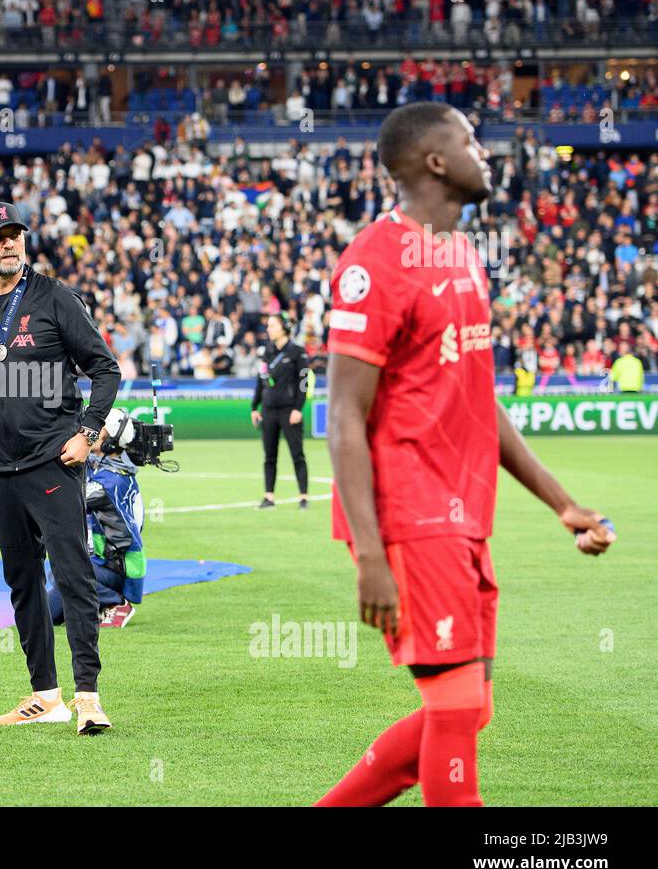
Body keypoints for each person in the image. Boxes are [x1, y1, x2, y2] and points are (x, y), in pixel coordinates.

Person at [317, 102, 616, 807]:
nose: (485, 152)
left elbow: (480, 401)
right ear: (435, 161)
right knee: (453, 712)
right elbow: (343, 416)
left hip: (463, 516)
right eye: (470, 140)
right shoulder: (373, 261)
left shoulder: (460, 254)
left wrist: (561, 501)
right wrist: (369, 554)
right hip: (412, 520)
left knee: (465, 710)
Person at [0, 200, 121, 734]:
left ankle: (89, 697)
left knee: (74, 579)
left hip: (52, 461)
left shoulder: (55, 298)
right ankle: (44, 694)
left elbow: (105, 368)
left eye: (16, 235)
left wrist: (89, 432)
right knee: (22, 581)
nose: (9, 244)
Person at [47, 408, 146, 629]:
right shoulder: (112, 470)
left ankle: (116, 602)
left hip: (114, 567)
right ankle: (94, 604)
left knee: (64, 569)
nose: (88, 431)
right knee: (47, 614)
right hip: (98, 562)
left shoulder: (107, 483)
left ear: (110, 441)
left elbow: (67, 498)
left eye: (97, 429)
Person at [251, 312, 310, 509]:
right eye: (268, 326)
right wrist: (255, 407)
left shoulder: (297, 352)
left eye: (273, 325)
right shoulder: (267, 352)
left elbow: (303, 382)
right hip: (268, 410)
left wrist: (298, 409)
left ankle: (303, 496)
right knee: (269, 455)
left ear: (284, 328)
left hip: (289, 410)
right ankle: (269, 496)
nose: (269, 329)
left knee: (297, 454)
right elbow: (261, 381)